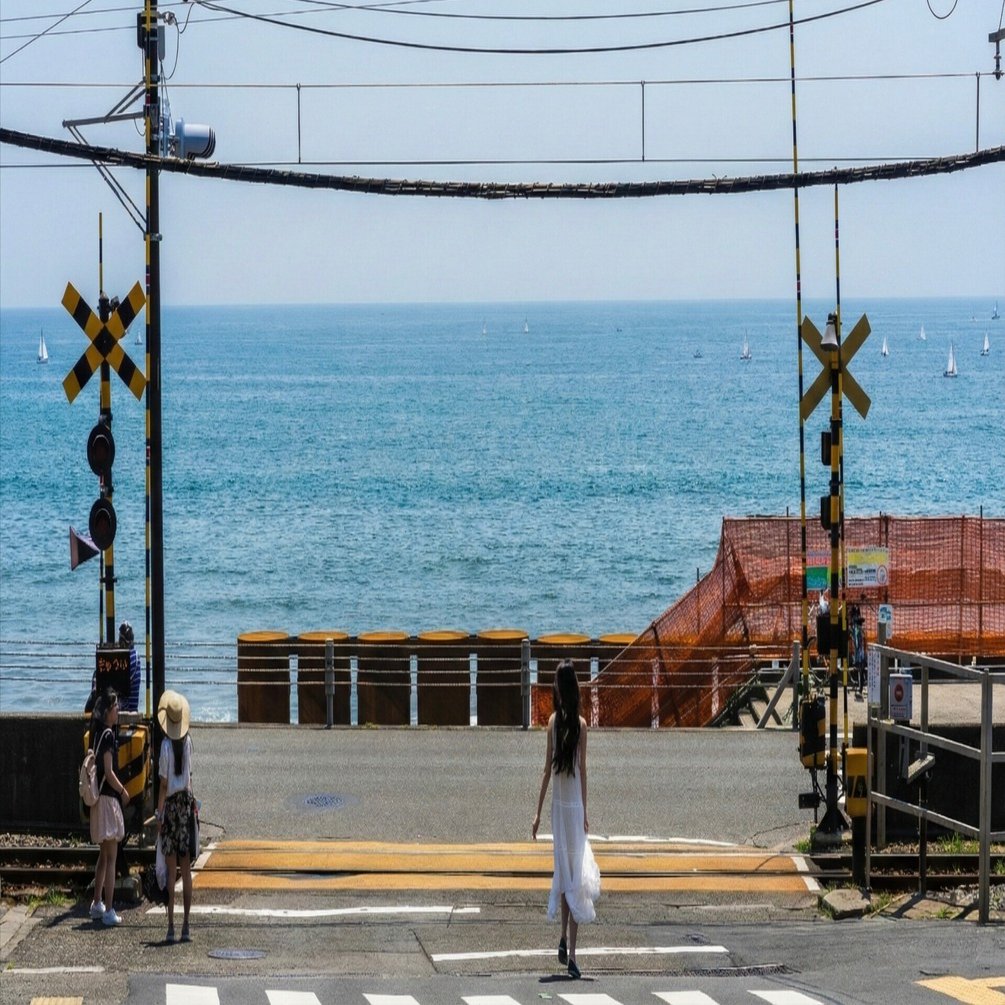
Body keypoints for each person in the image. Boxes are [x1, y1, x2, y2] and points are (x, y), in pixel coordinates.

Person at [531, 660, 600, 980]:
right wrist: (585, 812)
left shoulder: (553, 723)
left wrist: (538, 812)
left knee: (564, 873)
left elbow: (547, 770)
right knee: (575, 878)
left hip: (559, 810)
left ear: (561, 689)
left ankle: (562, 940)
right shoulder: (582, 725)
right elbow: (583, 771)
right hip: (572, 810)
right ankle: (572, 954)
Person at [156, 689, 196, 943]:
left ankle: (170, 927)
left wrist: (160, 814)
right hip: (186, 804)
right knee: (186, 868)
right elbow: (190, 778)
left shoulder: (165, 746)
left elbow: (162, 785)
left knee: (171, 871)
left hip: (170, 807)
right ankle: (186, 926)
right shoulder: (189, 742)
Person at [88, 687, 130, 926]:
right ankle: (109, 908)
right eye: (116, 707)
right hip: (107, 799)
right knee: (112, 857)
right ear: (108, 712)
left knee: (104, 856)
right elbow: (109, 770)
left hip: (98, 800)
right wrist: (123, 791)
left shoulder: (96, 733)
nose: (119, 710)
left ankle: (96, 904)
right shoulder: (109, 736)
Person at [118, 621, 141, 713]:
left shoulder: (128, 657)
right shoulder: (135, 655)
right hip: (133, 707)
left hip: (126, 708)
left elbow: (120, 687)